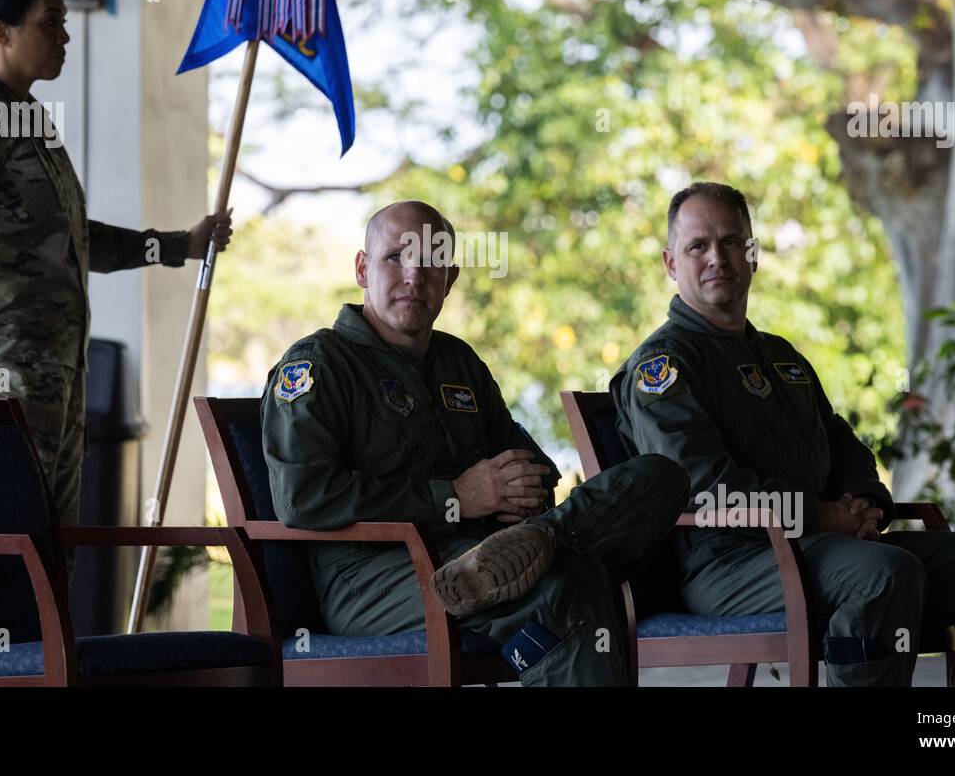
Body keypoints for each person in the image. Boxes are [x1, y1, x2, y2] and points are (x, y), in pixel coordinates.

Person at [611, 181, 955, 686]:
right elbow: (709, 492)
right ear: (671, 264)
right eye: (698, 246)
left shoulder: (781, 357)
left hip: (829, 546)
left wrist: (865, 505)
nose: (718, 258)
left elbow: (843, 445)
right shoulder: (663, 365)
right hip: (732, 563)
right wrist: (821, 515)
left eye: (732, 242)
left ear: (753, 255)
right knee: (885, 577)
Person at [261, 200, 689, 685]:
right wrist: (455, 498)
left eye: (431, 261)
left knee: (660, 474)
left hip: (488, 550)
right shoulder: (319, 366)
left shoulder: (458, 362)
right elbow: (302, 498)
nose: (414, 275)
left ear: (452, 276)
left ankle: (540, 542)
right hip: (375, 578)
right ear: (362, 268)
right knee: (568, 584)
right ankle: (529, 556)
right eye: (394, 257)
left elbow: (531, 463)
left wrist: (523, 490)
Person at [0, 0, 232, 529]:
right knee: (2, 553)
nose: (64, 36)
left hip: (51, 378)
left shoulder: (30, 122)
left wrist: (181, 244)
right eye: (50, 22)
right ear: (0, 32)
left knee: (53, 557)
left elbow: (75, 241)